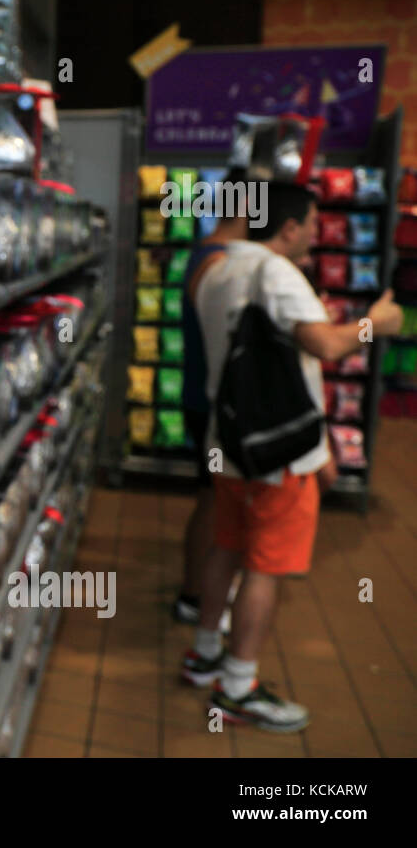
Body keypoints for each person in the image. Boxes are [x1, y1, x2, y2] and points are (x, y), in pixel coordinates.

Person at [180, 181, 402, 732]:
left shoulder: (216, 269)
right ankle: (238, 688)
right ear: (288, 227)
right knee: (267, 566)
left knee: (227, 545)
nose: (316, 233)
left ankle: (204, 653)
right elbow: (326, 344)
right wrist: (377, 324)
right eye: (312, 223)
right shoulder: (277, 272)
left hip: (228, 442)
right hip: (279, 451)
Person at [173, 171, 247, 625]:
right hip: (211, 405)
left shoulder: (207, 255)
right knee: (215, 499)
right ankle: (194, 596)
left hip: (204, 401)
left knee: (212, 497)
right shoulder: (218, 264)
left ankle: (197, 593)